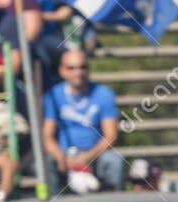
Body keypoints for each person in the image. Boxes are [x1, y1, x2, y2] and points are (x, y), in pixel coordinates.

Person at [42, 49, 124, 193]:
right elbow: (47, 136)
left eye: (82, 67)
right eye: (71, 68)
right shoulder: (53, 96)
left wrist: (88, 157)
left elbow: (111, 136)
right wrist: (61, 157)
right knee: (46, 164)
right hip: (65, 154)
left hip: (95, 154)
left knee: (114, 160)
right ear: (62, 71)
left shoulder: (103, 94)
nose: (78, 72)